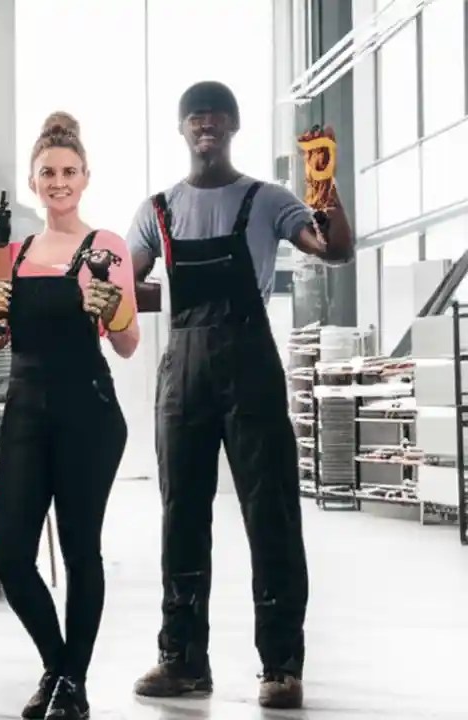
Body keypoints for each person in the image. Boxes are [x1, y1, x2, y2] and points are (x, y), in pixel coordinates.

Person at [126, 81, 354, 710]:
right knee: (181, 519)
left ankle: (281, 666)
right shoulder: (156, 209)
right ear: (182, 128)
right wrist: (92, 287)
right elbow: (126, 282)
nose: (208, 126)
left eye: (219, 117)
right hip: (182, 375)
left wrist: (326, 192)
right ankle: (182, 661)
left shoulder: (270, 199)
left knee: (271, 516)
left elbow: (333, 249)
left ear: (234, 126)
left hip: (251, 371)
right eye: (196, 117)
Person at [0, 112, 140, 720]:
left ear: (86, 177)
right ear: (32, 180)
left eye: (69, 171)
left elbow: (126, 344)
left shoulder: (107, 247)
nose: (59, 181)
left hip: (87, 413)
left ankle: (72, 685)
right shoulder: (13, 253)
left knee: (79, 550)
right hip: (24, 409)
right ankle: (59, 665)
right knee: (10, 554)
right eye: (48, 172)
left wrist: (116, 308)